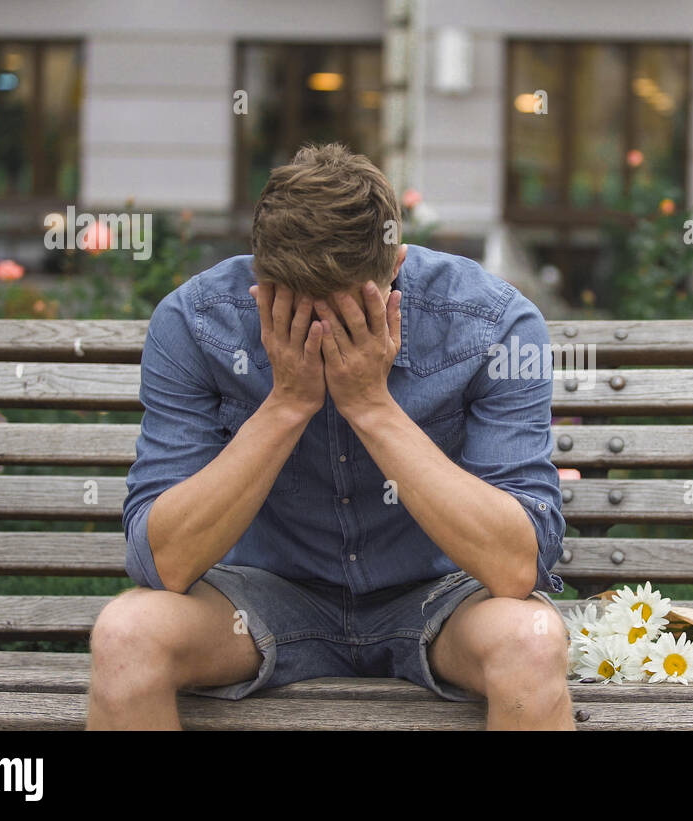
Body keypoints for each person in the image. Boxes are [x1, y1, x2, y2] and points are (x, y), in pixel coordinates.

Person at [87, 143, 573, 730]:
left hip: (440, 602)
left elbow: (519, 565)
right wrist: (287, 403)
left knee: (534, 639)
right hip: (258, 600)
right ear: (258, 270)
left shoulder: (491, 323)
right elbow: (161, 563)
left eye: (344, 310)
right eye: (290, 305)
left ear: (394, 264)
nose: (317, 331)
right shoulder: (195, 323)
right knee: (125, 635)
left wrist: (372, 406)